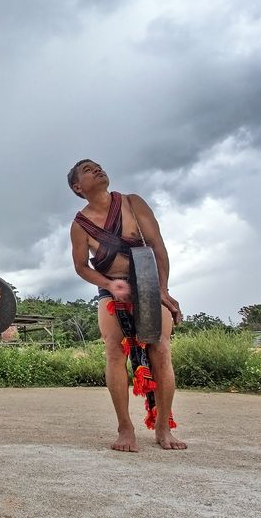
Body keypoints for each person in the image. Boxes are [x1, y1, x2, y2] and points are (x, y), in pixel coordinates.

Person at [68, 159, 186, 451]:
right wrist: (109, 285)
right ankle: (125, 428)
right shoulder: (80, 225)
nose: (97, 170)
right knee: (113, 351)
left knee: (160, 348)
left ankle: (162, 428)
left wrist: (162, 289)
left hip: (149, 283)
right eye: (87, 170)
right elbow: (81, 267)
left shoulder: (133, 204)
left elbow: (157, 247)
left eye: (98, 166)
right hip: (112, 288)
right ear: (77, 187)